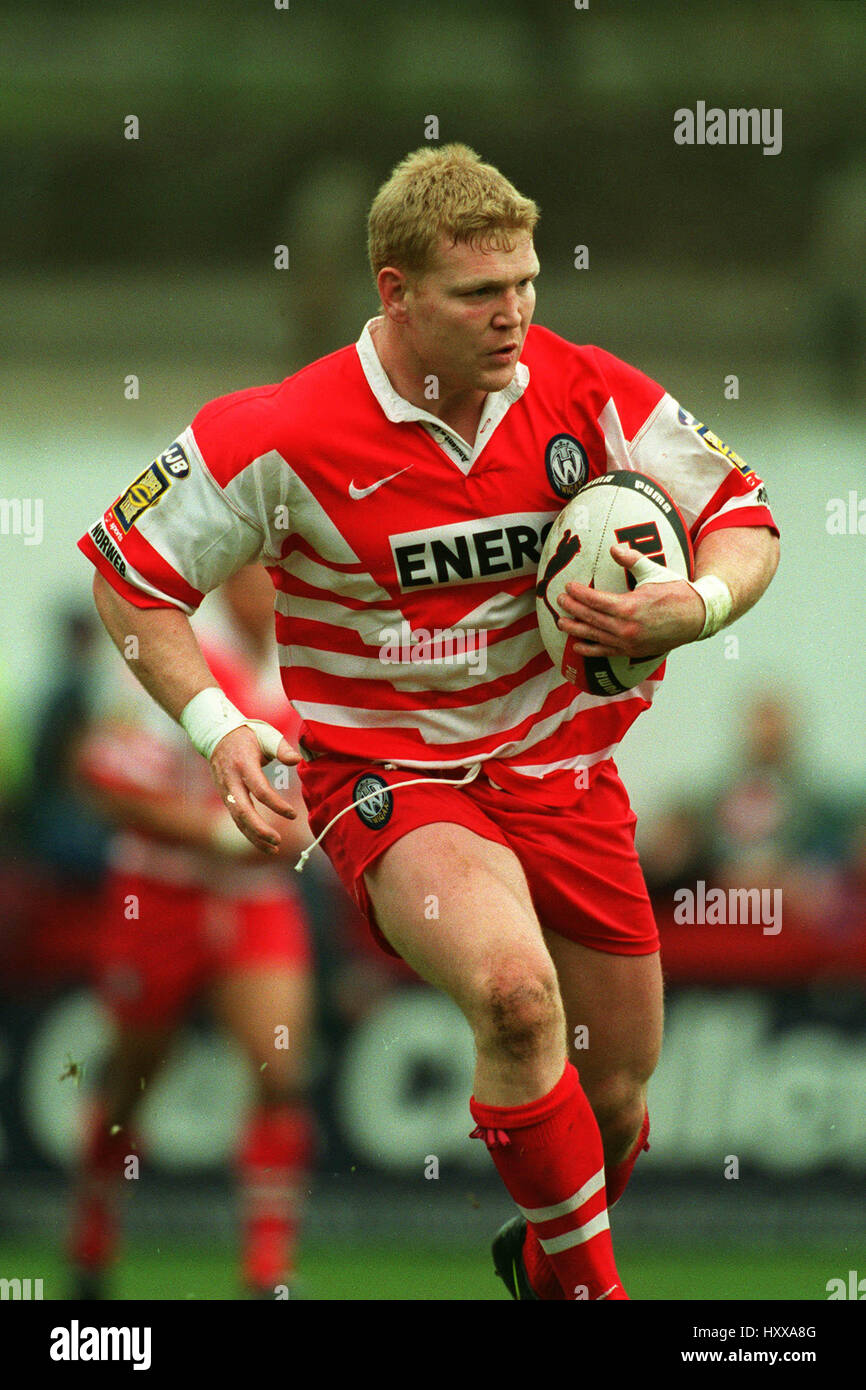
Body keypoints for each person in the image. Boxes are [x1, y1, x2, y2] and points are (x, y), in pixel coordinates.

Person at [78, 144, 779, 1301]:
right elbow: (127, 574)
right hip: (389, 779)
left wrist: (695, 602)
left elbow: (740, 512)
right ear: (393, 291)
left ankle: (548, 1263)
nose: (513, 316)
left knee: (614, 1098)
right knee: (514, 998)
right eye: (478, 293)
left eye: (526, 284)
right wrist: (216, 725)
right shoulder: (283, 430)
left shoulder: (581, 386)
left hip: (563, 774)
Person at [67, 564, 315, 1300]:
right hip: (161, 893)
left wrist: (290, 833)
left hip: (253, 897)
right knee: (130, 1082)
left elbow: (315, 800)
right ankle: (91, 1246)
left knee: (282, 1068)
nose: (274, 588)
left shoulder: (308, 663)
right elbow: (103, 777)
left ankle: (267, 1273)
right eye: (260, 574)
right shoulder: (175, 658)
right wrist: (213, 830)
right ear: (229, 582)